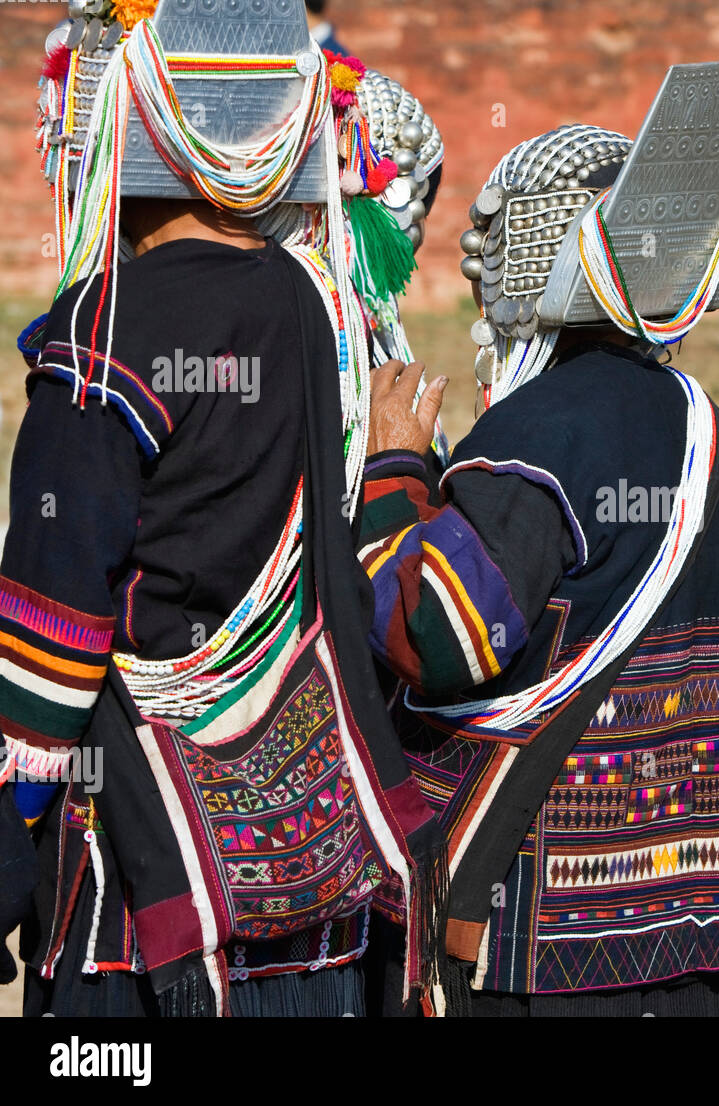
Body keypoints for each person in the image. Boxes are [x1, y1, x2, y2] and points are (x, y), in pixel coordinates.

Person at [2, 0, 446, 1016]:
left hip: (149, 905)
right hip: (313, 879)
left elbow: (49, 650)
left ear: (126, 122)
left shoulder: (102, 335)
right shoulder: (308, 304)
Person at [361, 62, 719, 1016]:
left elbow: (438, 639)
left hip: (542, 941)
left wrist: (394, 479)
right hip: (704, 928)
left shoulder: (538, 438)